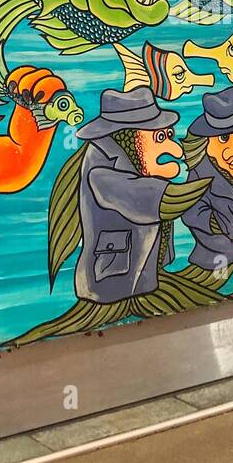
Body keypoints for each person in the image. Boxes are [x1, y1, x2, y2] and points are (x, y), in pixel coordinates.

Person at [73, 87, 200, 304]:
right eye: (160, 137)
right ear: (130, 135)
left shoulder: (133, 160)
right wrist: (193, 190)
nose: (175, 149)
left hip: (141, 281)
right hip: (108, 286)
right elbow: (139, 198)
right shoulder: (101, 166)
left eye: (169, 134)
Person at [181, 87, 233, 274]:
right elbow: (194, 218)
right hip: (216, 261)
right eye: (224, 138)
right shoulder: (199, 178)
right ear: (206, 144)